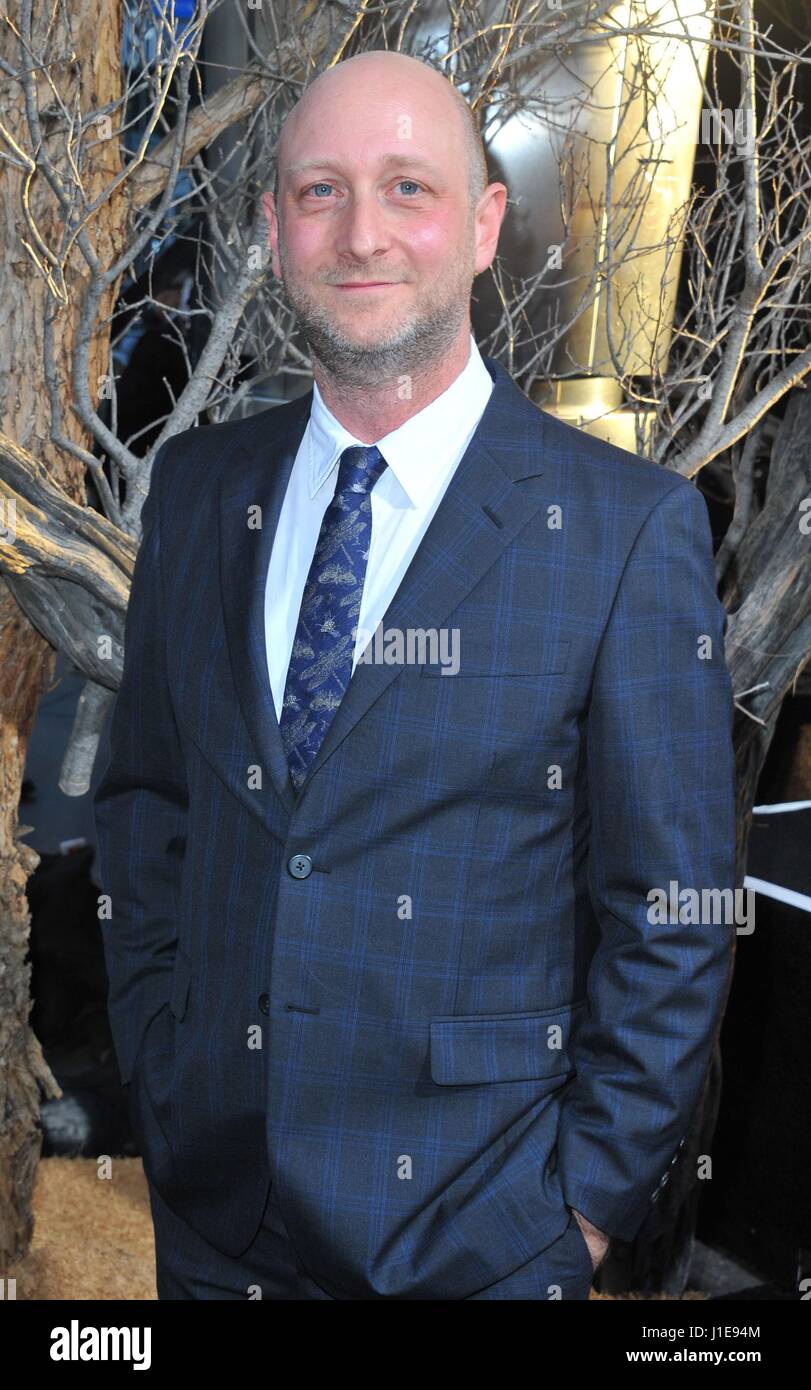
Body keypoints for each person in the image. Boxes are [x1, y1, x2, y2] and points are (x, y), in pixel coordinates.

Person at [92, 49, 736, 1300]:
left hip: (478, 1244)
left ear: (487, 224)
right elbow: (146, 809)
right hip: (214, 1223)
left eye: (408, 189)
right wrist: (163, 1066)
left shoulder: (622, 531)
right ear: (274, 227)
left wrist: (583, 1213)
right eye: (320, 191)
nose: (360, 234)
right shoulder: (202, 488)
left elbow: (674, 914)